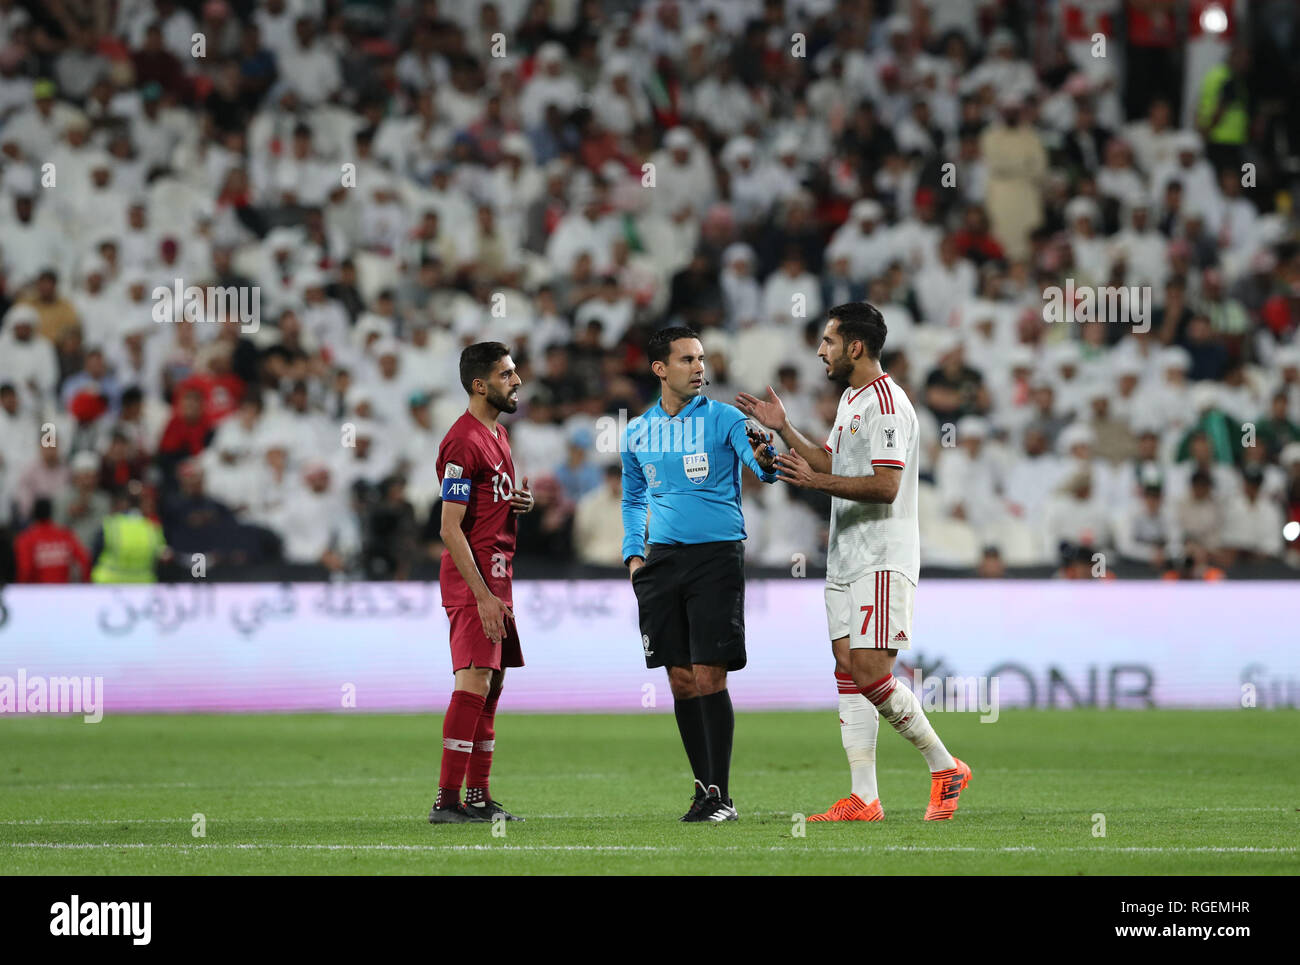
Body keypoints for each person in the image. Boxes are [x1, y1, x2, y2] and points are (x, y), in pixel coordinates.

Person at [736, 302, 971, 823]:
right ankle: (864, 797)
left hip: (882, 555)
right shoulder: (851, 399)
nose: (821, 350)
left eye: (828, 341)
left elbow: (886, 487)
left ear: (855, 346)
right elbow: (832, 463)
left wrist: (818, 483)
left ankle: (944, 764)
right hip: (846, 553)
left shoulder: (888, 403)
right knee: (847, 669)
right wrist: (784, 431)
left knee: (869, 669)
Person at [621, 326, 778, 822]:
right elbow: (632, 499)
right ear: (660, 369)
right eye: (687, 359)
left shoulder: (726, 418)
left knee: (710, 674)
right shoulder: (638, 432)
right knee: (681, 680)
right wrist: (634, 556)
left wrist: (768, 453)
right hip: (663, 561)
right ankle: (701, 790)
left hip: (716, 557)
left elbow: (765, 469)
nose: (699, 368)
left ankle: (721, 796)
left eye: (702, 358)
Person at [430, 342, 535, 825]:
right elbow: (450, 528)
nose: (517, 381)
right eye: (507, 374)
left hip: (499, 578)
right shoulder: (461, 442)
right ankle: (446, 801)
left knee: (491, 688)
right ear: (480, 384)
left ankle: (478, 796)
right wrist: (483, 597)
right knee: (473, 679)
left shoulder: (499, 434)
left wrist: (515, 502)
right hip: (476, 584)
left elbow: (485, 503)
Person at [14, 497, 91, 583]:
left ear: (34, 513)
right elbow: (84, 560)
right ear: (51, 513)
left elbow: (25, 569)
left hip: (36, 593)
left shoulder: (26, 539)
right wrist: (86, 584)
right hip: (62, 592)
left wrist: (22, 590)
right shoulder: (65, 536)